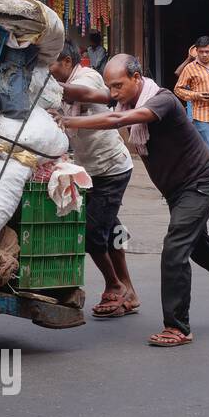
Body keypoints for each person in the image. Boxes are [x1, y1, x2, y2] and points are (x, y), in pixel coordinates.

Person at [55, 55, 209, 347]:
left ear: (137, 78)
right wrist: (55, 91)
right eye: (111, 87)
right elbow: (96, 96)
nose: (114, 93)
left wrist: (68, 120)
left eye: (119, 85)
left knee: (174, 249)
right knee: (202, 252)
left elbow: (116, 120)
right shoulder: (124, 98)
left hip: (199, 184)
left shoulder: (162, 100)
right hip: (177, 191)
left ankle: (177, 327)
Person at [50, 46, 138, 318]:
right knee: (111, 229)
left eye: (51, 64)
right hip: (92, 170)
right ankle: (129, 290)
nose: (48, 70)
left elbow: (85, 94)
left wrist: (45, 83)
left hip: (112, 167)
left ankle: (114, 286)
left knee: (91, 233)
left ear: (67, 61)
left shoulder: (85, 77)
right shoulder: (61, 83)